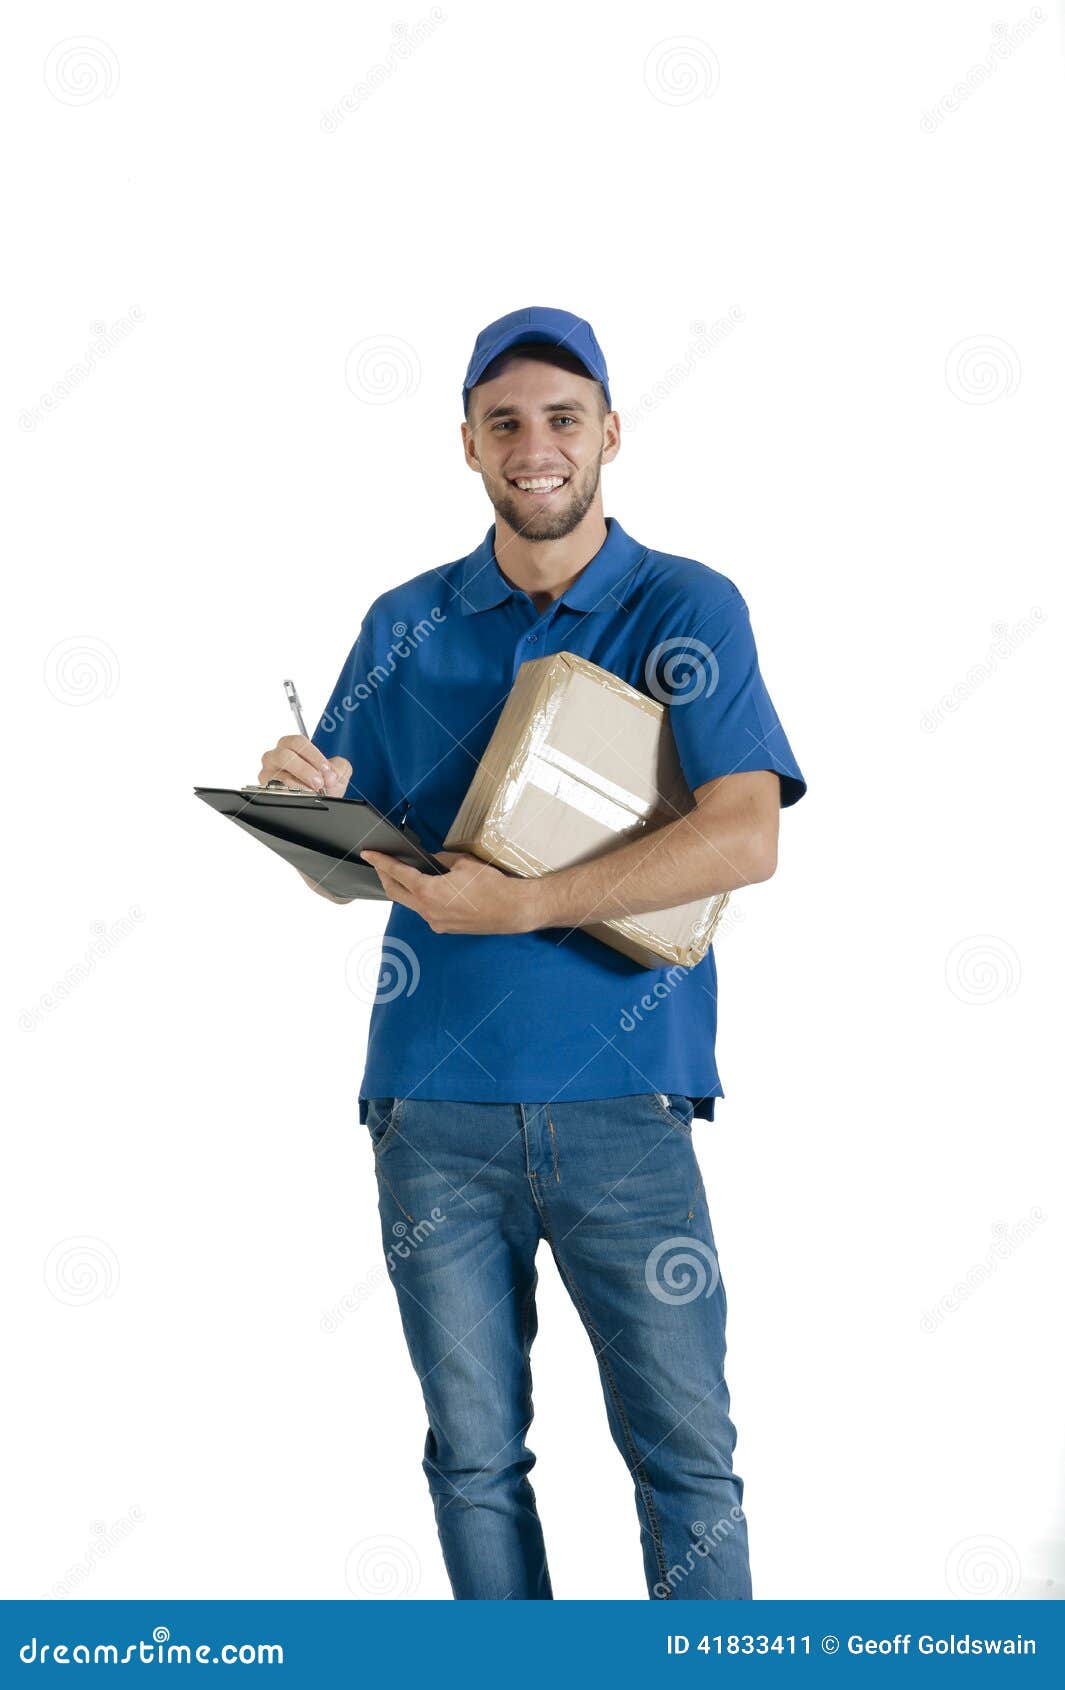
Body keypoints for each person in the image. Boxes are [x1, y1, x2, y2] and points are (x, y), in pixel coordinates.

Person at [257, 307, 807, 1600]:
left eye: (562, 418)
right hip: (430, 1106)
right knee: (473, 1461)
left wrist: (527, 903)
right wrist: (303, 795)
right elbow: (356, 858)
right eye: (503, 423)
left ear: (609, 432)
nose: (535, 445)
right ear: (466, 447)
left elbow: (743, 836)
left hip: (623, 1098)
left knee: (686, 1459)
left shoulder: (685, 605)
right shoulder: (406, 619)